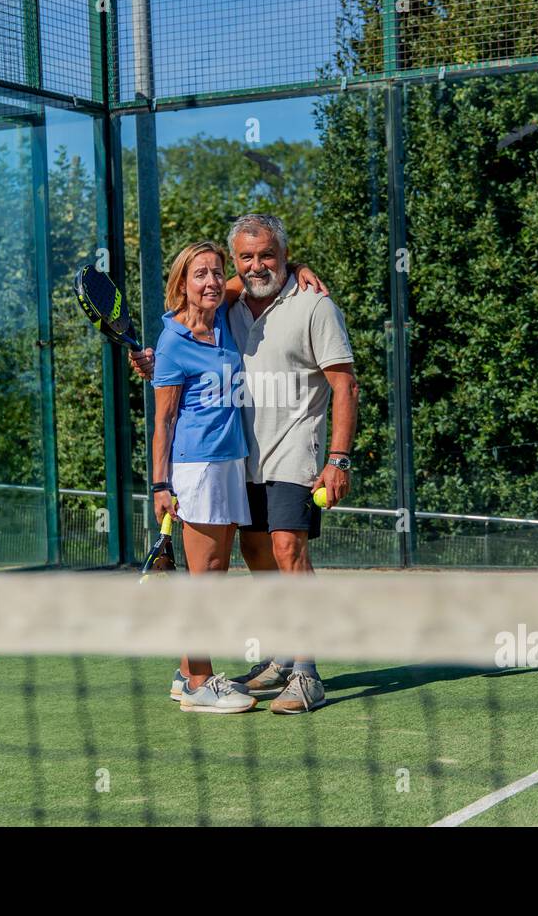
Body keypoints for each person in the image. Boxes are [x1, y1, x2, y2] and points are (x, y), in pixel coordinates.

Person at [134, 215, 359, 714]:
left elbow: (345, 385)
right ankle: (269, 659)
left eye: (269, 256)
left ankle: (305, 672)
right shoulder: (229, 305)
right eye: (246, 258)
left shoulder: (314, 306)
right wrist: (163, 362)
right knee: (257, 559)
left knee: (285, 552)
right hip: (239, 460)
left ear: (284, 254)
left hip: (293, 453)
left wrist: (339, 459)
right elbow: (207, 293)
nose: (256, 266)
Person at [150, 241, 257, 714]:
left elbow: (250, 278)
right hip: (197, 469)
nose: (212, 281)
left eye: (216, 272)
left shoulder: (224, 316)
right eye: (200, 275)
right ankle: (200, 683)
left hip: (232, 461)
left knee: (213, 571)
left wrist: (299, 266)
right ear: (182, 283)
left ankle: (184, 673)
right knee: (206, 577)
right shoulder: (173, 341)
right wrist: (160, 485)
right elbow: (164, 421)